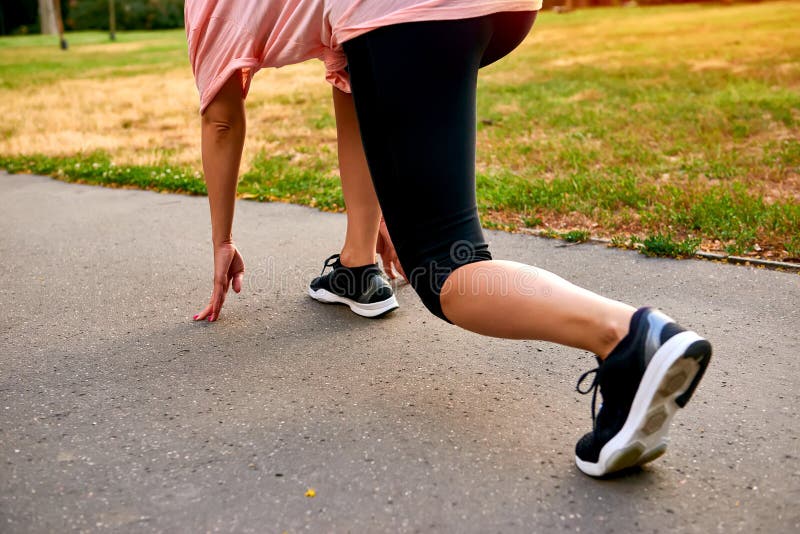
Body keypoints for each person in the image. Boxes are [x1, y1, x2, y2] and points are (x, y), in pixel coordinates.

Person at [185, 1, 712, 477]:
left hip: (407, 15)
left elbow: (223, 121)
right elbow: (354, 83)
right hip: (497, 10)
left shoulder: (206, 7)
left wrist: (222, 241)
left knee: (443, 268)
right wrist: (372, 229)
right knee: (377, 69)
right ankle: (355, 267)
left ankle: (629, 338)